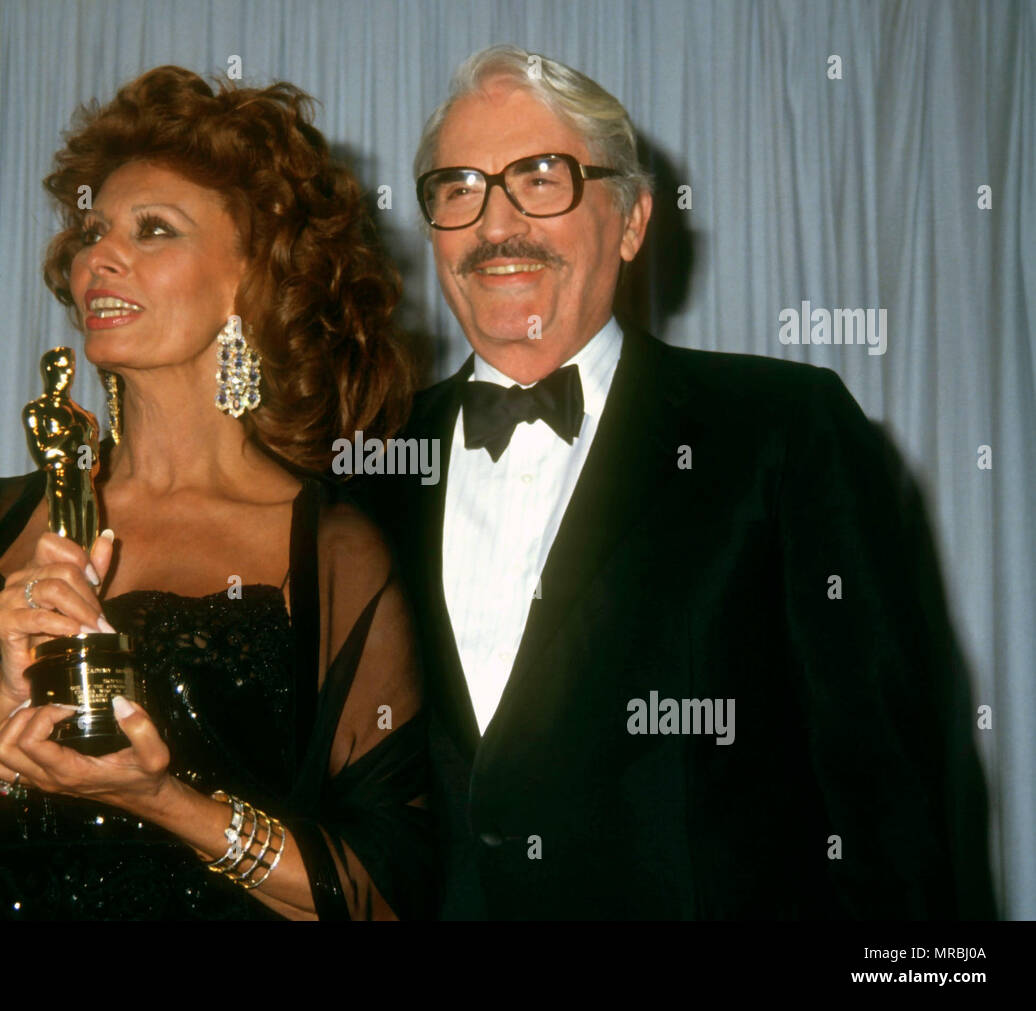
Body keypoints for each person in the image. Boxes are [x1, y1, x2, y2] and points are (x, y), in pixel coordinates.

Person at [357, 44, 996, 919]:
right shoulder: (370, 464)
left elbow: (891, 792)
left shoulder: (785, 428)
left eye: (542, 177)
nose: (496, 223)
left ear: (631, 220)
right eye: (459, 186)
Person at [0, 65, 432, 921]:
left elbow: (384, 893)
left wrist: (163, 799)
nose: (98, 255)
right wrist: (1, 699)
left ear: (252, 280)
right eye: (92, 230)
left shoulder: (334, 550)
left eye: (153, 230)